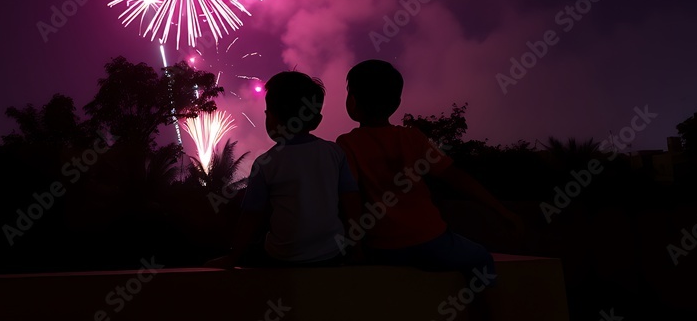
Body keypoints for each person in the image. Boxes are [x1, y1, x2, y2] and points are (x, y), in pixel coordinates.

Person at [336, 59, 524, 285]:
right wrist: (502, 212)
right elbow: (456, 177)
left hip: (381, 247)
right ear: (396, 103)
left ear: (352, 102)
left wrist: (355, 247)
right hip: (431, 241)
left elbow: (350, 198)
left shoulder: (347, 144)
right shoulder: (412, 138)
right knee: (482, 258)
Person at [206, 71, 361, 268]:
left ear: (271, 118)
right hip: (332, 253)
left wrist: (233, 257)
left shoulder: (265, 163)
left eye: (267, 114)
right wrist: (357, 249)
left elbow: (251, 216)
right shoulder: (334, 153)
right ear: (317, 120)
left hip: (283, 257)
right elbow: (351, 201)